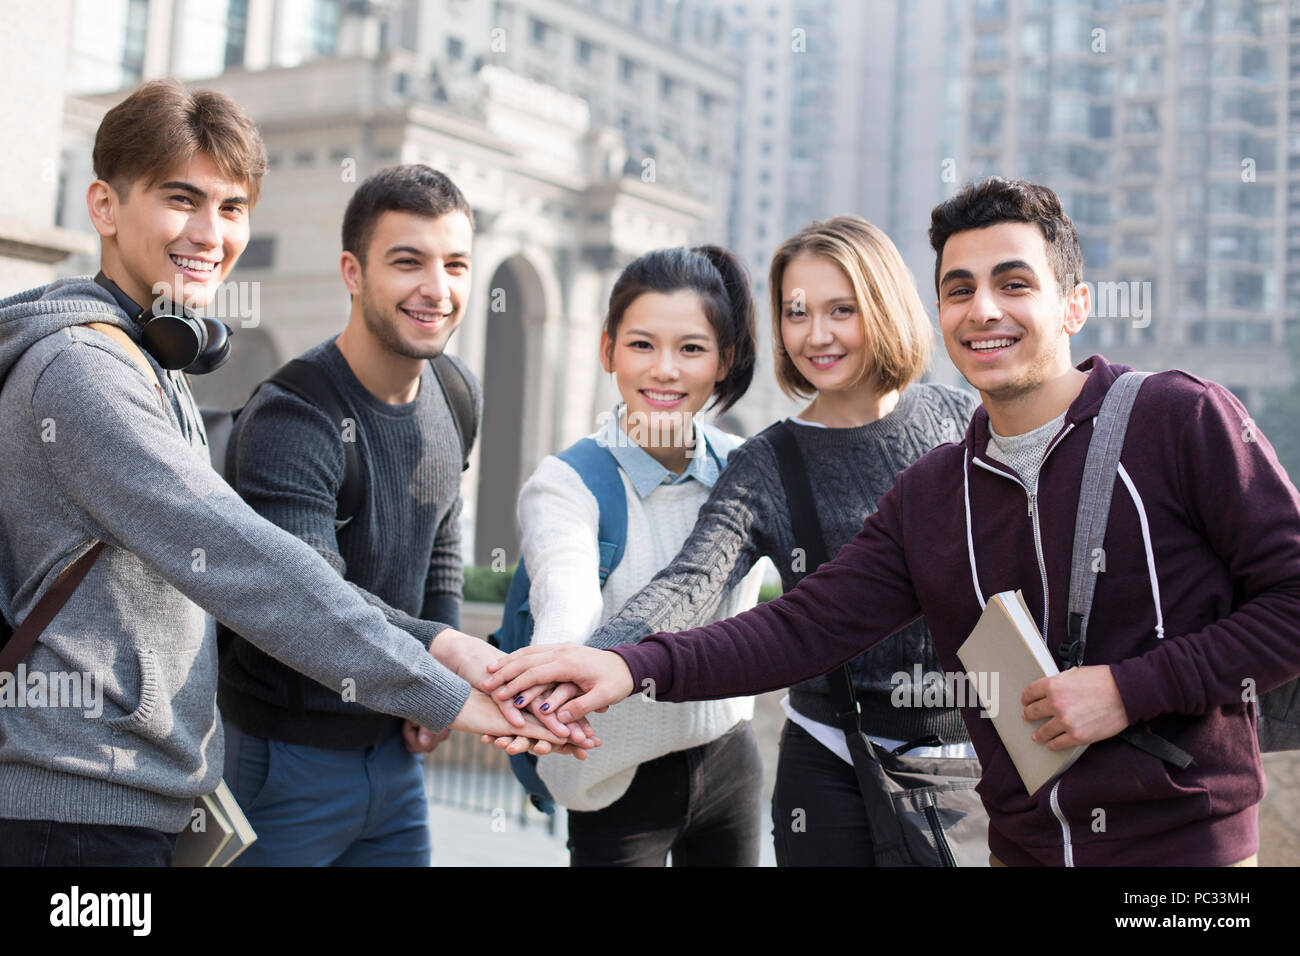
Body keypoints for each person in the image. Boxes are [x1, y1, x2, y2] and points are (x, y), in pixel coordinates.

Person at [484, 177, 1300, 866]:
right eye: (959, 289)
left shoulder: (1179, 419)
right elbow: (797, 626)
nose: (984, 310)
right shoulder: (931, 491)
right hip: (1014, 839)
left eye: (1014, 285)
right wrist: (618, 668)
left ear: (1075, 303)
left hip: (1185, 854)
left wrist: (1130, 690)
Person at [0, 79, 582, 867]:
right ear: (104, 206)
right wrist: (446, 684)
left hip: (128, 801)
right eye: (183, 199)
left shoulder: (150, 357)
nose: (211, 234)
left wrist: (447, 646)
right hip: (71, 815)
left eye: (233, 208)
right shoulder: (84, 372)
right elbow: (250, 563)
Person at [511, 217, 978, 866]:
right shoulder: (764, 464)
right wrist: (588, 664)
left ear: (883, 305)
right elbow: (691, 582)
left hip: (966, 757)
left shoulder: (963, 424)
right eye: (796, 312)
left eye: (841, 309)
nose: (817, 333)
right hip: (829, 752)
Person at [217, 165, 527, 866]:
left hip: (395, 762)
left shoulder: (454, 391)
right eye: (408, 262)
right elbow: (308, 596)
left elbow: (443, 528)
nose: (437, 289)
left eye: (455, 264)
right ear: (353, 273)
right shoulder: (294, 416)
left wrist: (430, 680)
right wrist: (445, 661)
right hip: (284, 760)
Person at [515, 245, 766, 866]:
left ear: (723, 359)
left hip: (728, 758)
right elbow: (564, 587)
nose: (664, 371)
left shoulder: (751, 469)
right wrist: (557, 673)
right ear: (608, 351)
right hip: (612, 780)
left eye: (691, 348)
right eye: (641, 345)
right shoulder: (567, 481)